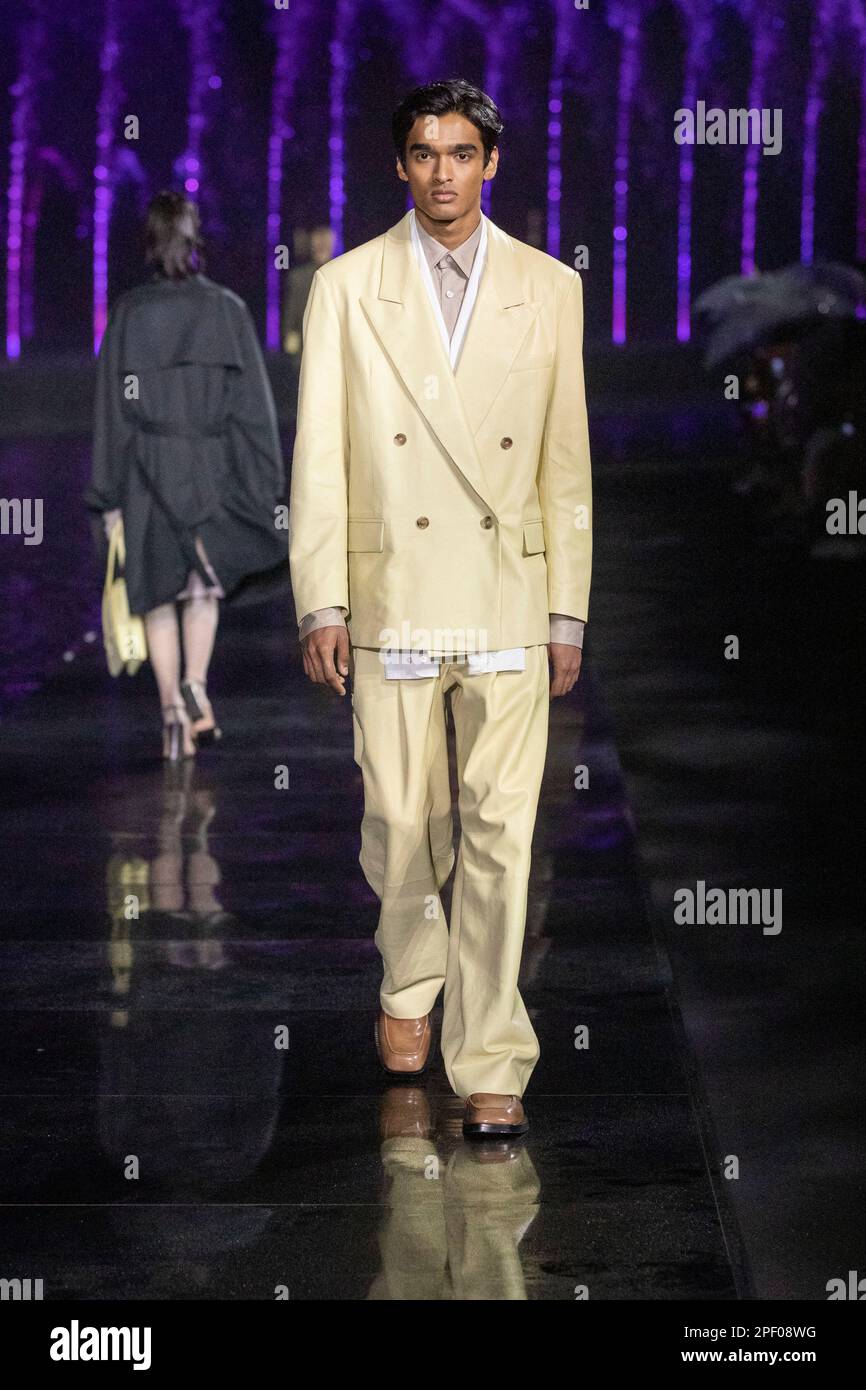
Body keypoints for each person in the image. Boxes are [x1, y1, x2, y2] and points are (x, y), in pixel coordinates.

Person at [288, 80, 592, 1139]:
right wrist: (320, 599)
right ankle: (409, 973)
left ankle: (492, 1051)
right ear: (400, 164)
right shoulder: (345, 286)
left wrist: (565, 612)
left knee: (502, 831)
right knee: (399, 820)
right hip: (394, 597)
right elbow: (319, 454)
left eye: (461, 153)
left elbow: (564, 462)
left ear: (490, 162)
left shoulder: (549, 286)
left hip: (507, 594)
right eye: (424, 153)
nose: (442, 173)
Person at [86, 191, 287, 760]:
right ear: (196, 240)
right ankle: (196, 684)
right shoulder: (227, 310)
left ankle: (172, 711)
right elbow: (252, 409)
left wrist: (107, 496)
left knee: (156, 594)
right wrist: (264, 484)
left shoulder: (129, 315)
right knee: (203, 586)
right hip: (211, 466)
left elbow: (112, 412)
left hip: (147, 469)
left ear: (150, 242)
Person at [281, 224, 336, 356]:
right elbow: (291, 311)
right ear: (312, 246)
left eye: (325, 245)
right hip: (306, 346)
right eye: (318, 245)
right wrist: (290, 333)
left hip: (335, 345)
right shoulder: (298, 277)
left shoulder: (342, 274)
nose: (321, 247)